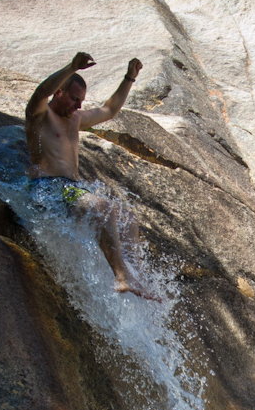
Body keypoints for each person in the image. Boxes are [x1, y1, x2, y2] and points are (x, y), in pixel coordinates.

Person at [25, 51, 157, 300]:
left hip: (71, 190)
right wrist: (71, 67)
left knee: (128, 219)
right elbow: (41, 93)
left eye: (82, 100)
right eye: (75, 99)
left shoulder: (74, 120)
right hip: (47, 188)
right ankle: (121, 277)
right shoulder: (40, 115)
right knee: (103, 207)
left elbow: (109, 109)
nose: (79, 105)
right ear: (60, 92)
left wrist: (129, 77)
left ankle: (135, 277)